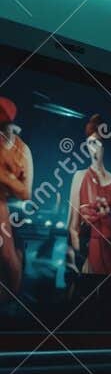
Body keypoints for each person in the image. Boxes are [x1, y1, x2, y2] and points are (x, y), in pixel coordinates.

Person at [68, 114, 111, 277]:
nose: (93, 148)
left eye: (98, 142)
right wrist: (76, 257)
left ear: (105, 146)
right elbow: (72, 225)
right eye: (90, 143)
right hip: (90, 251)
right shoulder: (79, 176)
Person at [0, 96, 35, 302]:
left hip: (11, 210)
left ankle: (12, 299)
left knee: (7, 256)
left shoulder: (23, 151)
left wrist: (6, 178)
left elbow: (25, 193)